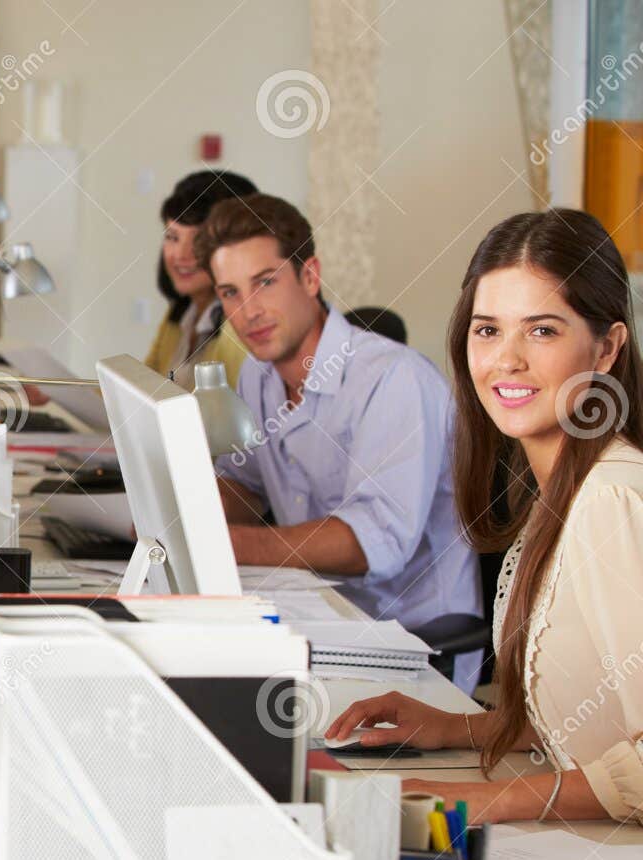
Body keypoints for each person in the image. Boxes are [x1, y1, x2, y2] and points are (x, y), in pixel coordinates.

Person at [329, 209, 643, 826]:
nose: (507, 361)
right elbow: (592, 714)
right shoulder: (558, 486)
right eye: (488, 330)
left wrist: (487, 798)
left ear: (606, 348)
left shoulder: (611, 498)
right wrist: (459, 727)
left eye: (543, 331)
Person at [195, 194, 480, 661]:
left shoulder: (394, 379)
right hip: (309, 618)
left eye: (265, 282)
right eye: (230, 292)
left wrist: (233, 544)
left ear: (310, 277)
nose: (248, 311)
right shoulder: (257, 375)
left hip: (406, 641)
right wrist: (174, 509)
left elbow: (376, 541)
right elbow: (247, 485)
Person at [144, 169, 256, 389]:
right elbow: (141, 389)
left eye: (200, 239)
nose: (181, 255)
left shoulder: (243, 326)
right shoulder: (181, 311)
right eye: (172, 237)